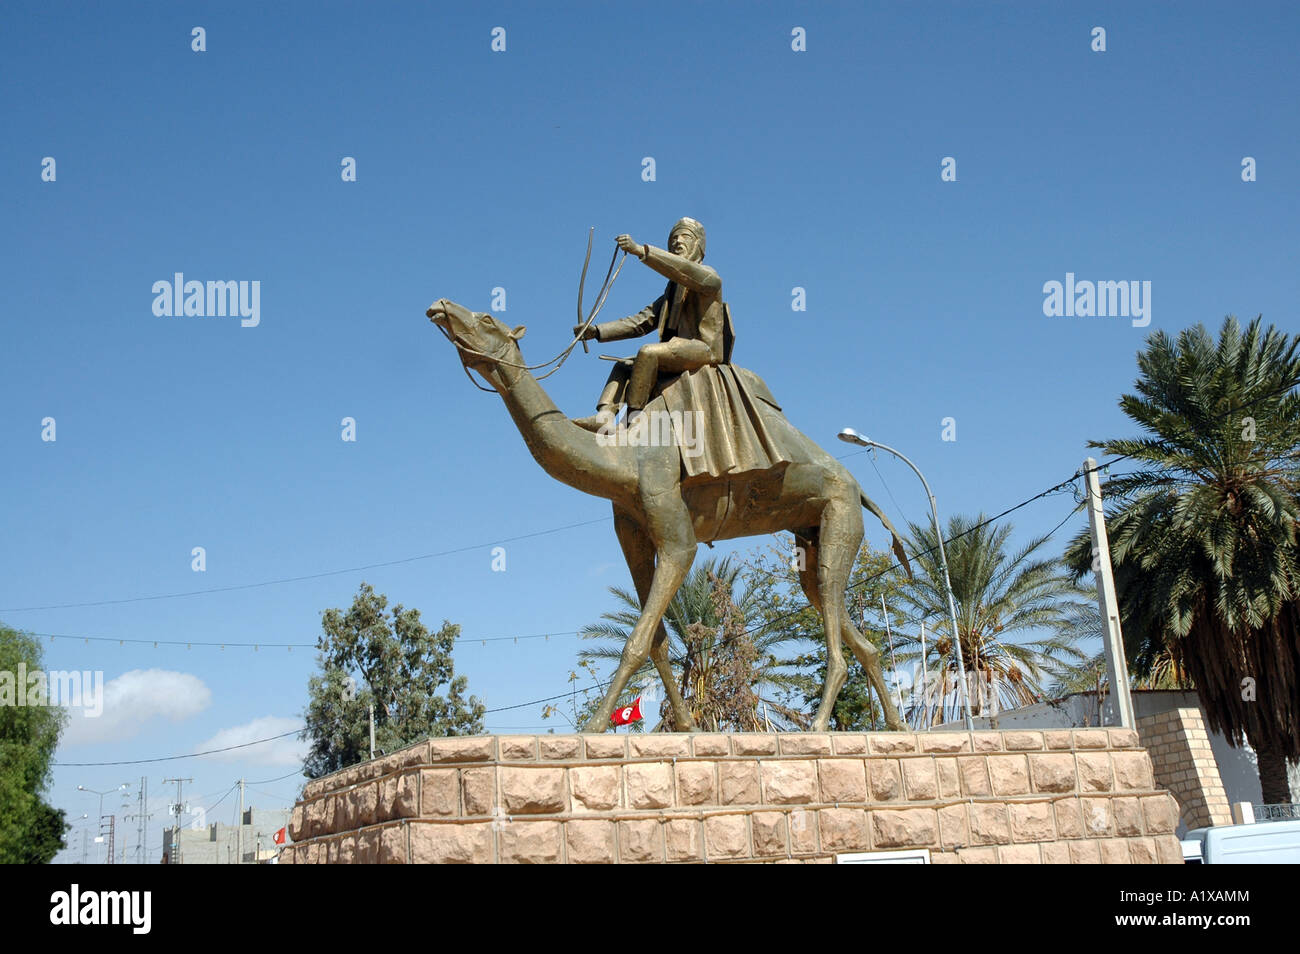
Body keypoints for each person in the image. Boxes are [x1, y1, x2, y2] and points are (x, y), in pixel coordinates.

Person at [572, 217, 734, 431]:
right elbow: (641, 321)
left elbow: (684, 270)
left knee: (648, 353)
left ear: (698, 245)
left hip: (703, 349)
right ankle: (604, 416)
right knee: (623, 366)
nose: (677, 241)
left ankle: (632, 421)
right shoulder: (672, 290)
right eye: (674, 238)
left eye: (685, 236)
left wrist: (641, 251)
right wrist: (597, 331)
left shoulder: (709, 277)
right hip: (677, 349)